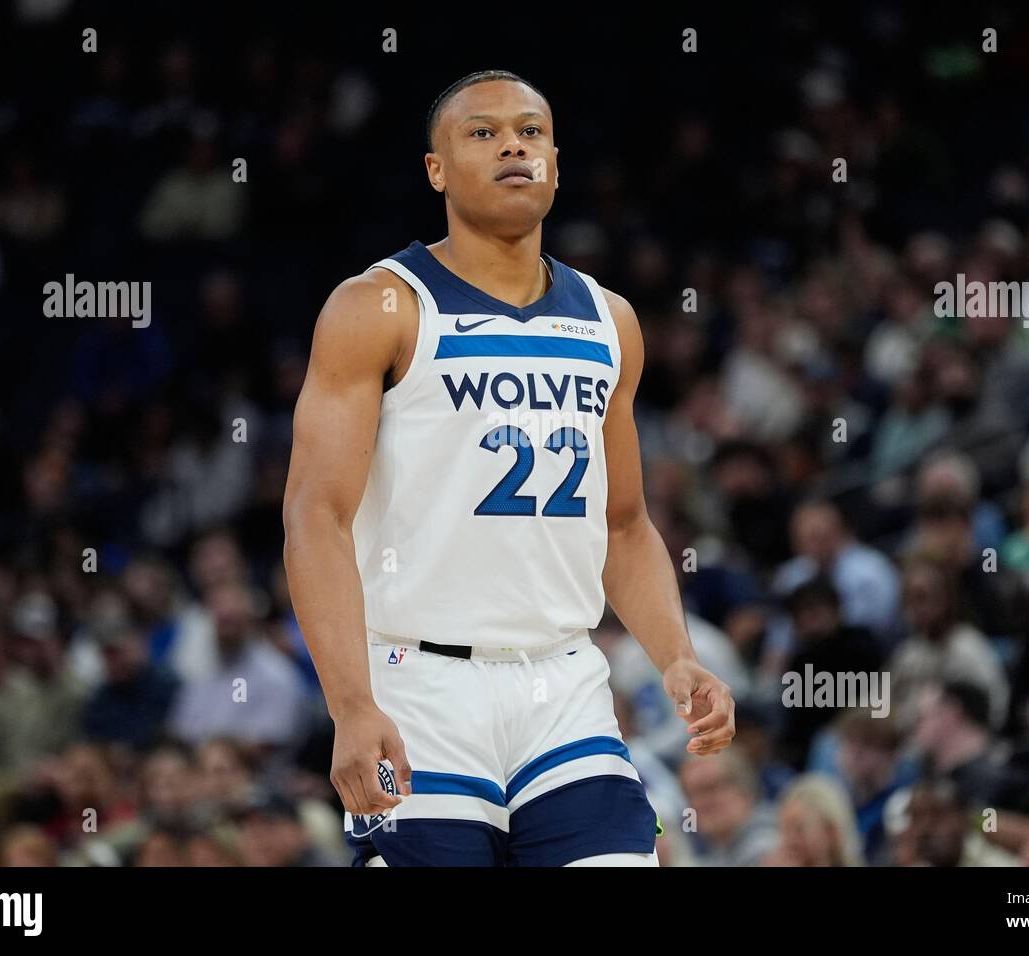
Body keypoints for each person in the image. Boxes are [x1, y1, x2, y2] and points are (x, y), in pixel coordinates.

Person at [282, 70, 735, 867]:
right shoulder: (379, 306)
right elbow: (315, 517)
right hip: (419, 683)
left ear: (556, 160)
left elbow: (623, 525)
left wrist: (676, 655)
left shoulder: (610, 320)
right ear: (435, 169)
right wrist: (350, 705)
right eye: (483, 133)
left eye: (530, 132)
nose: (513, 146)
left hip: (563, 684)